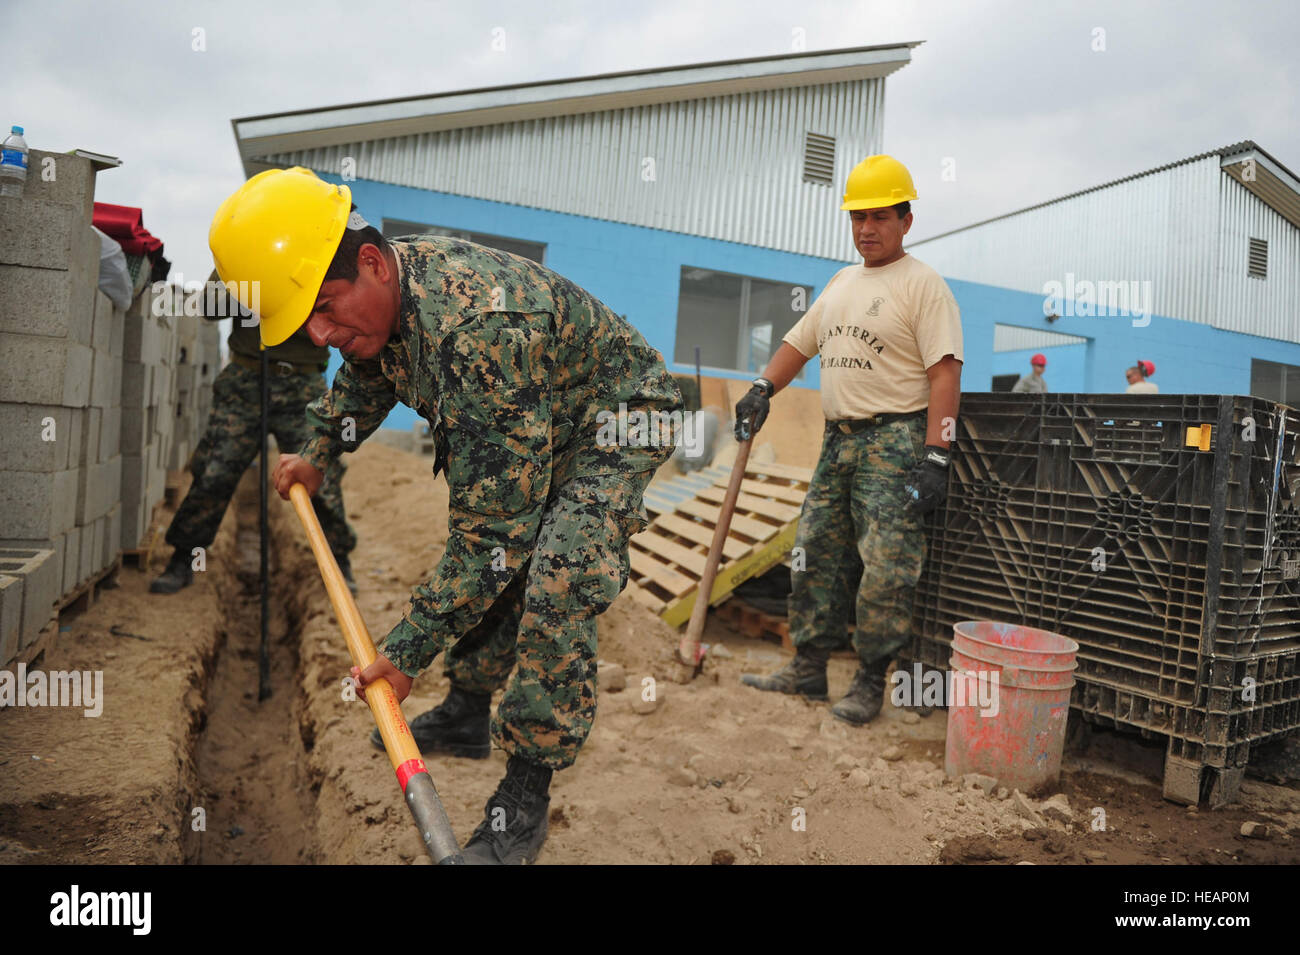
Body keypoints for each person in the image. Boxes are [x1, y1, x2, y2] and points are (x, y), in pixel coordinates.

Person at [209, 167, 681, 864]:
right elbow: (366, 379)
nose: (318, 332)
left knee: (556, 563)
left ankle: (522, 798)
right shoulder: (386, 301)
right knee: (504, 552)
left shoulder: (477, 329)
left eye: (326, 307)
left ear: (371, 263)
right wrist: (316, 451)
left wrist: (403, 652)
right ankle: (466, 710)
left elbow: (496, 534)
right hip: (547, 409)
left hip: (620, 415)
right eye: (306, 317)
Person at [737, 154, 963, 725]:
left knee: (886, 567)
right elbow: (799, 342)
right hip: (836, 441)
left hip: (896, 442)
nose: (867, 229)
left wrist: (938, 455)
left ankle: (868, 682)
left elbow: (945, 373)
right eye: (858, 217)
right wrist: (764, 386)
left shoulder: (924, 286)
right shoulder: (841, 282)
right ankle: (808, 668)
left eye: (880, 217)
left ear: (906, 221)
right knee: (814, 553)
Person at [150, 270, 356, 594]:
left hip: (303, 386)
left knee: (321, 475)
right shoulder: (244, 247)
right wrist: (261, 292)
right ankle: (185, 557)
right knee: (214, 472)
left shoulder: (324, 253)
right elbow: (210, 306)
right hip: (245, 380)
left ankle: (338, 561)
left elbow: (344, 311)